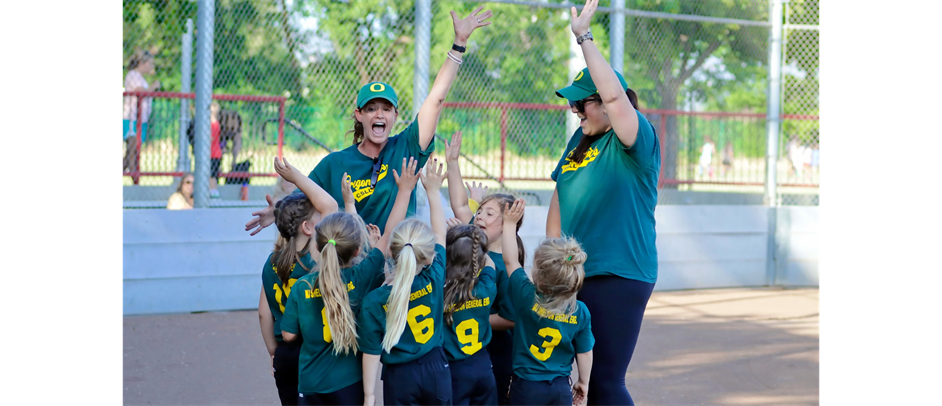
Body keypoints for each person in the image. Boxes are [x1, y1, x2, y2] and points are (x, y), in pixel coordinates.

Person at [245, 6, 493, 237]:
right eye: (371, 108)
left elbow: (436, 99)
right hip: (354, 268)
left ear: (395, 116)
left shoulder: (406, 147)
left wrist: (459, 43)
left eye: (386, 109)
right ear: (358, 115)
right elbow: (302, 200)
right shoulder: (335, 163)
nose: (379, 114)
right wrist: (276, 211)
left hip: (397, 266)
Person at [547, 1, 660, 404]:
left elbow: (614, 99)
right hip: (576, 274)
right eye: (573, 103)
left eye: (583, 102)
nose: (575, 109)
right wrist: (552, 260)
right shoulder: (578, 143)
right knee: (568, 379)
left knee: (605, 380)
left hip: (620, 272)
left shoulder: (633, 140)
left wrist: (584, 37)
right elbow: (559, 199)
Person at [279, 157, 420, 406]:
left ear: (318, 245)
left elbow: (288, 335)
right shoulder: (362, 275)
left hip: (311, 384)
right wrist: (405, 190)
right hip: (349, 384)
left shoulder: (302, 286)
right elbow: (389, 232)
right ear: (357, 251)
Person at [357, 160, 450, 406]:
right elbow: (440, 234)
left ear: (388, 251)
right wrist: (433, 191)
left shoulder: (374, 301)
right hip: (436, 369)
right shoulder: (434, 276)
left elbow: (371, 352)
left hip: (400, 377)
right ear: (430, 257)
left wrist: (369, 396)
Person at [445, 131, 520, 406]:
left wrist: (472, 316)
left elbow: (512, 318)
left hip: (495, 355)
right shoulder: (475, 243)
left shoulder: (507, 266)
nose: (478, 216)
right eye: (480, 212)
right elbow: (461, 205)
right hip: (471, 352)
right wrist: (453, 163)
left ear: (507, 225)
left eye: (489, 214)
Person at [258, 157, 340, 406]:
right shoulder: (314, 257)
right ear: (307, 227)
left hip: (285, 353)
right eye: (317, 218)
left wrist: (274, 351)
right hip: (312, 349)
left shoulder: (272, 261)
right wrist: (297, 179)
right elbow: (331, 206)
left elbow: (264, 314)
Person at [501, 199, 593, 406]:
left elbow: (510, 261)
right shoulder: (580, 311)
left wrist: (509, 224)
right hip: (560, 388)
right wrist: (583, 382)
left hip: (526, 387)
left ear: (539, 277)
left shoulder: (526, 296)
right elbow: (585, 351)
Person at [442, 223, 499, 406]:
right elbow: (488, 263)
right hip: (482, 366)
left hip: (453, 370)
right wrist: (473, 237)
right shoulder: (487, 288)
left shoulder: (441, 294)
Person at [122, 49, 161, 173]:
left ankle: (134, 177)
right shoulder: (133, 75)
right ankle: (135, 180)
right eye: (150, 63)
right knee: (132, 150)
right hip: (132, 118)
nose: (151, 67)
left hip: (141, 119)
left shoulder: (141, 78)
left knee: (133, 152)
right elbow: (140, 92)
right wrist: (153, 87)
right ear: (141, 63)